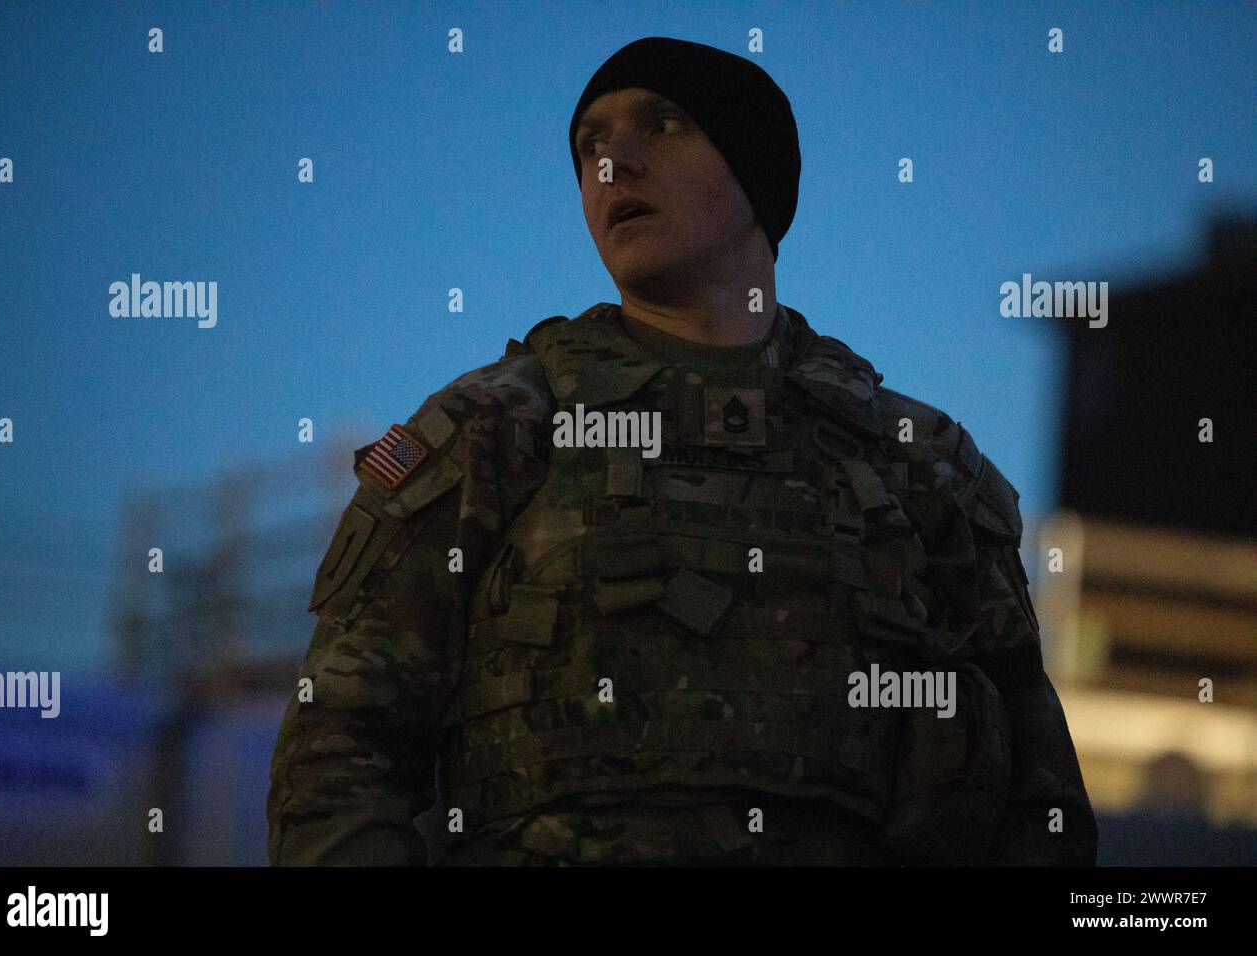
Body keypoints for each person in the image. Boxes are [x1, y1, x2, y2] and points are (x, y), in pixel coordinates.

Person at [267, 36, 1097, 866]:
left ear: (754, 169)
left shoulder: (917, 461)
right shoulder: (498, 424)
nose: (611, 165)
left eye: (660, 125)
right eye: (590, 144)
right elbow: (338, 756)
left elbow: (1040, 808)